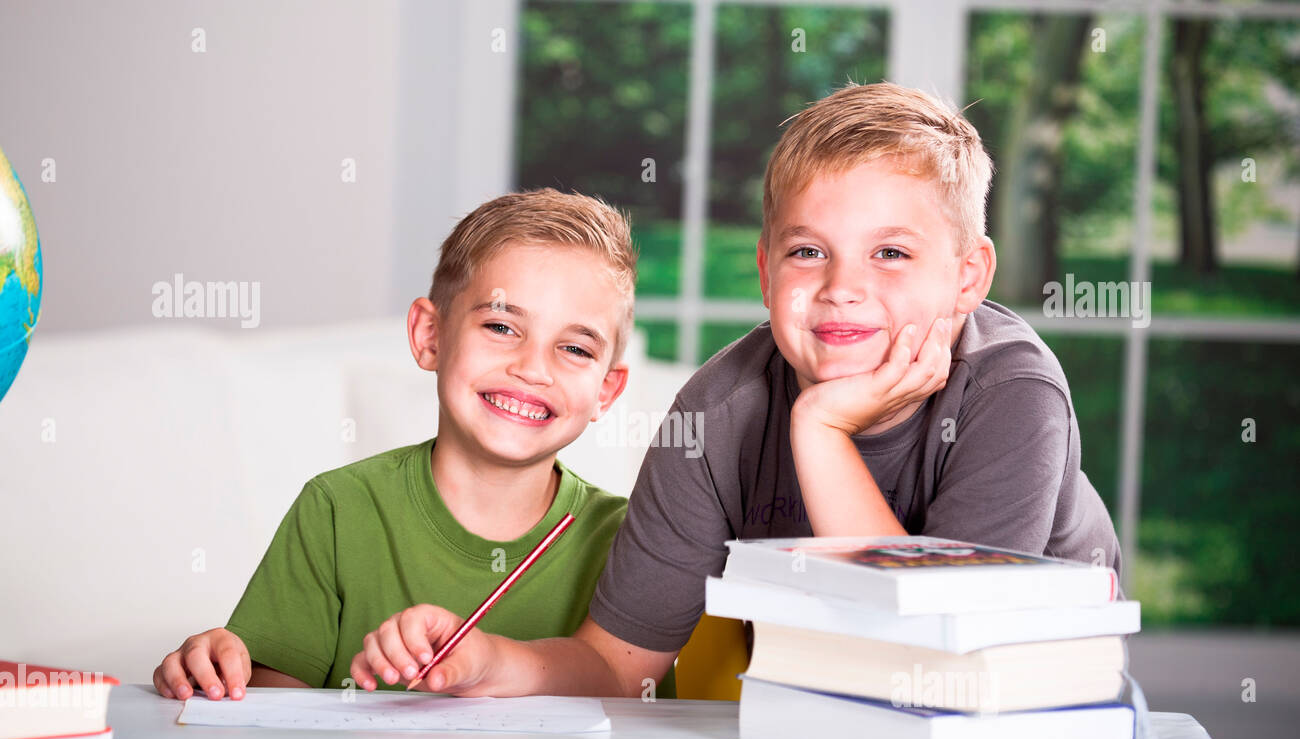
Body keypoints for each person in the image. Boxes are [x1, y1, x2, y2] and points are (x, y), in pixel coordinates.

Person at [346, 80, 1122, 700]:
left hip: (1034, 719)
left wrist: (819, 432)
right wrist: (493, 663)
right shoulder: (720, 412)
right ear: (763, 272)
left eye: (890, 252)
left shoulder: (1012, 393)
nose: (842, 289)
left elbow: (934, 668)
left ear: (967, 278)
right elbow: (622, 669)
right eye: (809, 251)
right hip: (833, 719)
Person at [151, 187, 664, 700]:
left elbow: (646, 725)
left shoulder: (630, 541)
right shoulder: (337, 510)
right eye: (502, 326)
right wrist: (219, 672)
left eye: (574, 348)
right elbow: (267, 717)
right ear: (429, 336)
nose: (532, 368)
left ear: (606, 390)